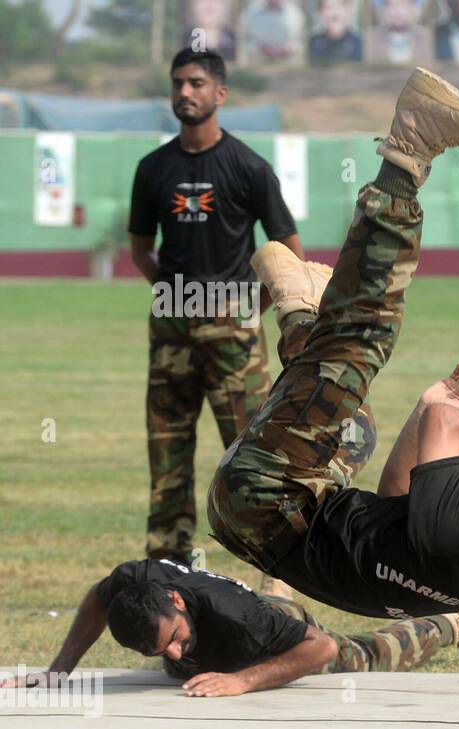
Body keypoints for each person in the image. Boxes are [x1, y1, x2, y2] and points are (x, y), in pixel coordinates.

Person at [205, 68, 459, 626]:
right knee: (355, 428)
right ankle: (298, 300)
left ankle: (410, 145)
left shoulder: (458, 545)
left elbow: (452, 429)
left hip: (269, 497)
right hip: (263, 516)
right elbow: (395, 495)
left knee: (364, 338)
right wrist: (427, 408)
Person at [128, 49, 303, 590]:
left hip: (234, 338)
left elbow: (288, 253)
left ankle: (274, 578)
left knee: (250, 461)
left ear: (220, 94)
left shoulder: (249, 167)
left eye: (197, 83)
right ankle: (165, 578)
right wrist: (174, 299)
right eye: (178, 83)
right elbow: (140, 250)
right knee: (168, 457)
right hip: (172, 333)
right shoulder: (153, 168)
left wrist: (247, 310)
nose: (186, 92)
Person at [0, 558, 459, 698]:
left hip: (271, 629)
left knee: (357, 657)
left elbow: (319, 648)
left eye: (174, 640)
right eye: (159, 652)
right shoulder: (134, 584)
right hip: (242, 614)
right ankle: (275, 585)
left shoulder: (236, 622)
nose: (173, 655)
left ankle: (452, 624)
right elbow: (95, 599)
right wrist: (58, 670)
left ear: (177, 601)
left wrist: (241, 680)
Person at [366, 0, 435, 65]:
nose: (398, 11)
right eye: (392, 5)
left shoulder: (427, 37)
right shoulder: (371, 37)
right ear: (385, 9)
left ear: (413, 8)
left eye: (403, 5)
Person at [242, 0, 307, 65]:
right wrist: (260, 48)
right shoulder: (251, 11)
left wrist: (291, 48)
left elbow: (301, 39)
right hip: (257, 65)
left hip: (288, 66)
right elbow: (244, 39)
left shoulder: (294, 12)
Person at [309, 0, 364, 64]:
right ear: (321, 12)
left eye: (339, 6)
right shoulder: (312, 44)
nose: (334, 13)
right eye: (328, 7)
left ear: (348, 9)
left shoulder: (361, 45)